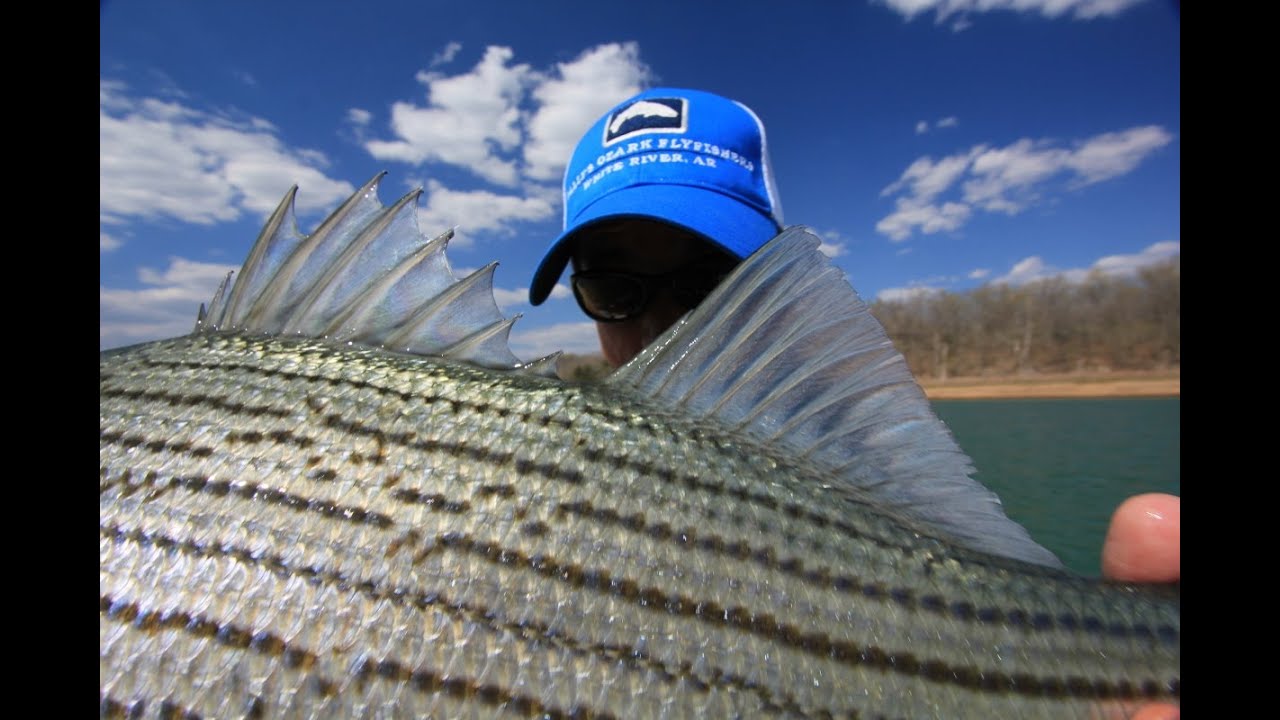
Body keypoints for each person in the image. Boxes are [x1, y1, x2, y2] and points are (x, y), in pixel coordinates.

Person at [530, 89, 1179, 715]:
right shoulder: (537, 475)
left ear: (780, 278)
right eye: (614, 289)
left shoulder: (875, 475)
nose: (664, 325)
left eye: (710, 283)